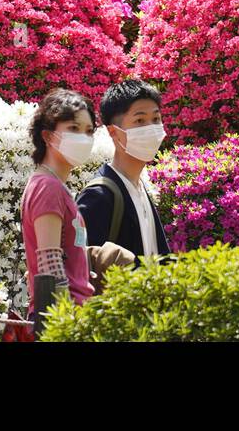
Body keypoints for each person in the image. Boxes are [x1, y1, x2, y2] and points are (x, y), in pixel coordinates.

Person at [20, 88, 133, 335]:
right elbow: (49, 264)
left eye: (89, 131)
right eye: (73, 128)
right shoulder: (47, 187)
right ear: (48, 136)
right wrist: (68, 325)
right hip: (61, 321)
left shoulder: (54, 186)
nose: (83, 137)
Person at [77, 78, 171, 264]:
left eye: (156, 119)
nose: (151, 128)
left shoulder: (139, 186)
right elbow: (82, 270)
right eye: (140, 120)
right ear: (113, 132)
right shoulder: (99, 196)